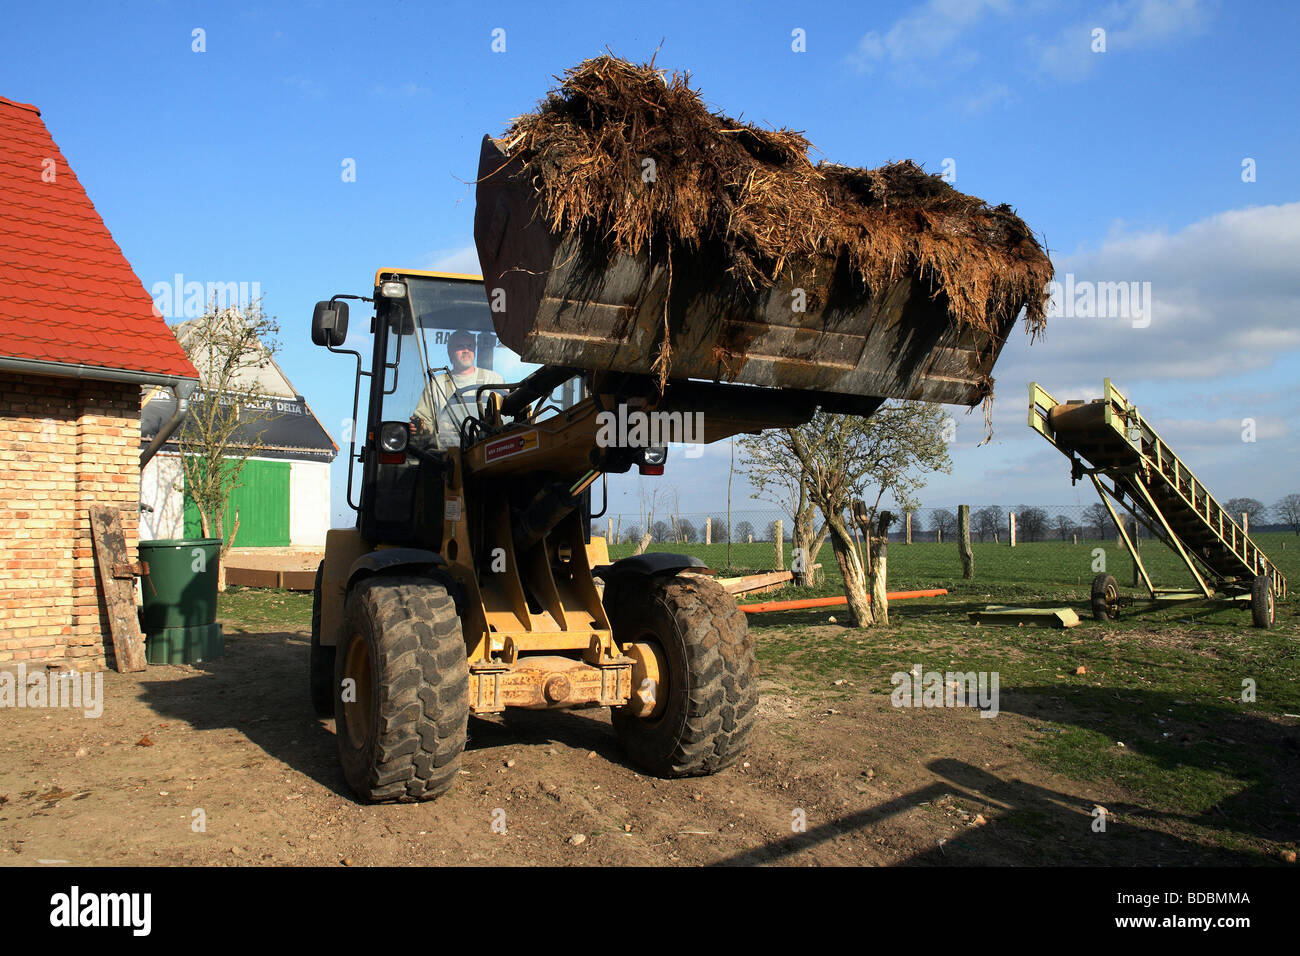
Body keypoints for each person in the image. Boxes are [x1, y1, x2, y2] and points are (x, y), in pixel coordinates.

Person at [411, 330, 505, 446]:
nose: (466, 350)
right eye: (460, 346)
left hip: (487, 448)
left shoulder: (493, 380)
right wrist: (420, 427)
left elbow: (506, 417)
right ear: (450, 353)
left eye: (469, 346)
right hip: (447, 452)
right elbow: (424, 421)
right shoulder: (436, 384)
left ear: (474, 350)